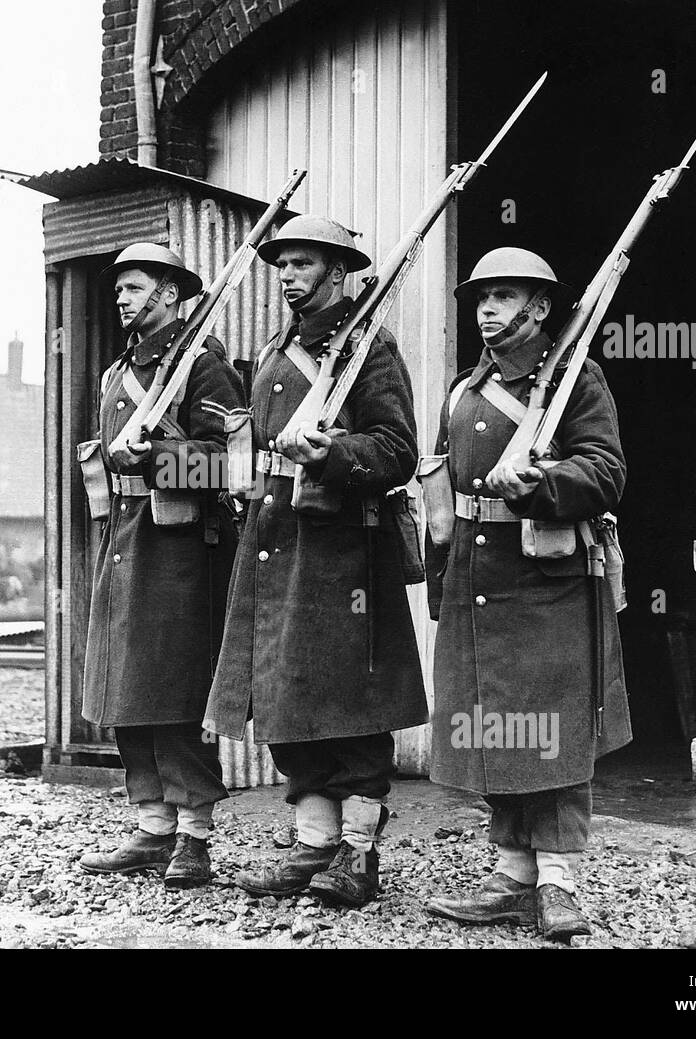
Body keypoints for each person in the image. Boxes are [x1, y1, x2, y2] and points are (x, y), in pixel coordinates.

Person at [203, 215, 427, 908]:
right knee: (281, 693)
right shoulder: (278, 349)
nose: (288, 275)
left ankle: (359, 852)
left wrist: (332, 453)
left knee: (351, 702)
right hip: (273, 541)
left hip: (341, 552)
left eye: (302, 263)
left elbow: (397, 451)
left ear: (338, 272)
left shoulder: (370, 349)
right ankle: (312, 842)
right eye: (283, 264)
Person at [424, 248, 630, 940]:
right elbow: (444, 492)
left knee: (555, 733)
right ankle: (513, 874)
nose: (486, 309)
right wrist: (440, 580)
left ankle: (559, 882)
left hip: (548, 583)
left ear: (541, 307)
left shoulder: (578, 378)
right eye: (481, 297)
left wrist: (542, 482)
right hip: (477, 583)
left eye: (504, 296)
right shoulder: (462, 391)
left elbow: (605, 471)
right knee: (496, 729)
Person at [78, 243, 244, 888]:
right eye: (118, 287)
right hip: (124, 544)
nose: (121, 297)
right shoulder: (115, 374)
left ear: (171, 294)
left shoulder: (202, 367)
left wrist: (154, 458)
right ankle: (151, 827)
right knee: (126, 693)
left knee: (174, 696)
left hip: (180, 554)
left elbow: (224, 468)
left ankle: (194, 837)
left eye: (135, 285)